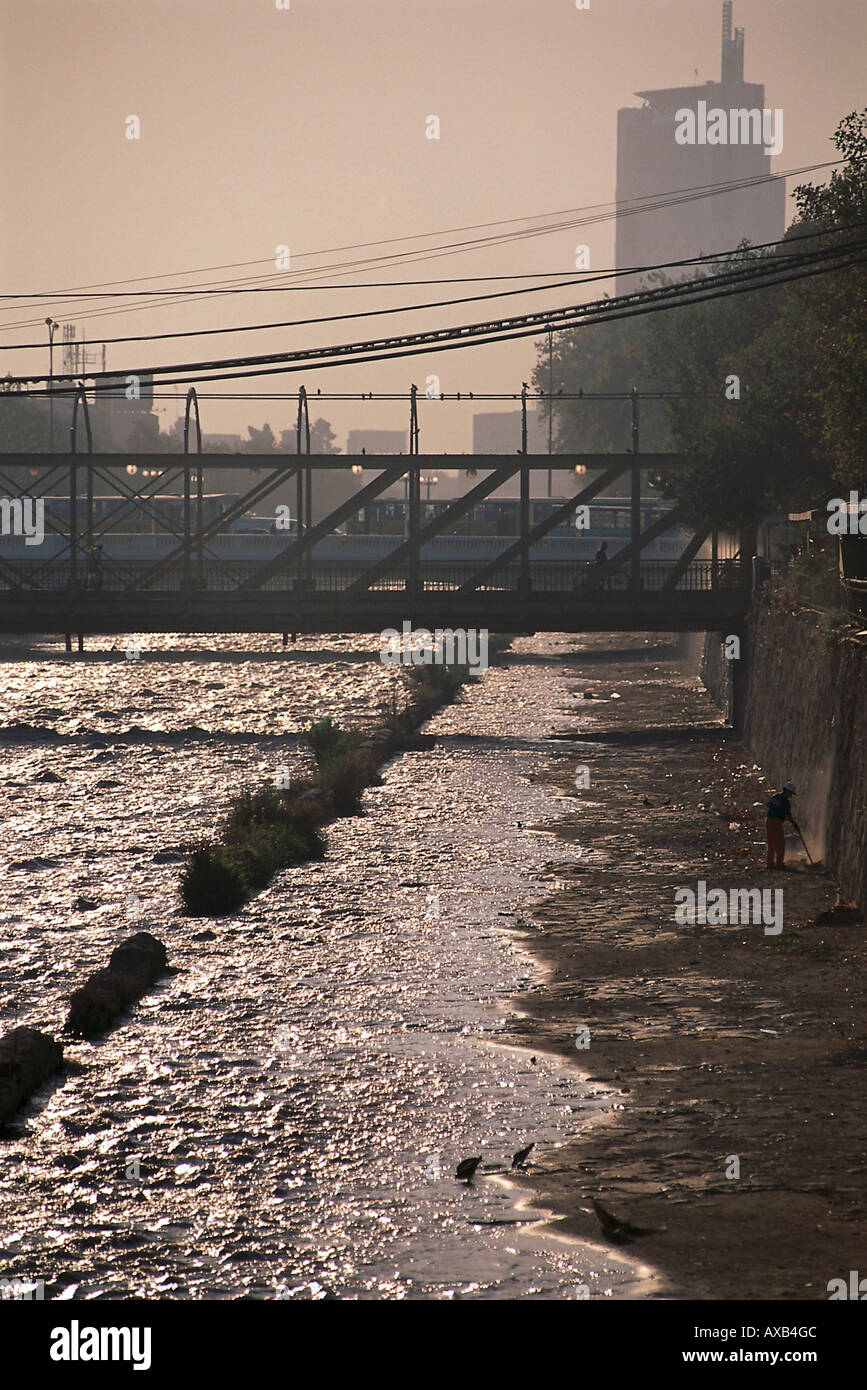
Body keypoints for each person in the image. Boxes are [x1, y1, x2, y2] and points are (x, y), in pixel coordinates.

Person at [766, 781, 796, 869]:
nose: (791, 796)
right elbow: (788, 815)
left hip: (768, 820)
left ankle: (770, 863)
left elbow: (769, 805)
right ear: (787, 791)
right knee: (780, 843)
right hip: (776, 821)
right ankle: (779, 863)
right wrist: (794, 824)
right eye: (791, 793)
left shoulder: (775, 796)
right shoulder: (785, 801)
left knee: (771, 842)